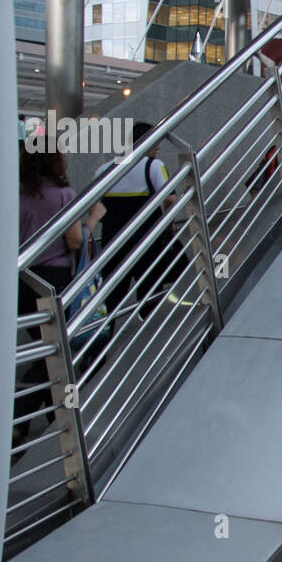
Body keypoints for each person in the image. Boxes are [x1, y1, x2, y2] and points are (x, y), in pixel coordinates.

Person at [16, 142, 106, 447]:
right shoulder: (63, 196)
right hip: (54, 282)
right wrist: (94, 217)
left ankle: (51, 416)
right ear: (56, 161)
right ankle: (20, 418)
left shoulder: (18, 194)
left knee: (46, 350)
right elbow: (74, 241)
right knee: (53, 353)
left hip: (23, 283)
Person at [95, 122, 179, 322]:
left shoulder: (104, 169)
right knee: (151, 290)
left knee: (111, 297)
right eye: (155, 144)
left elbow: (95, 206)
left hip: (112, 242)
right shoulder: (154, 166)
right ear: (147, 143)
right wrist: (169, 223)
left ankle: (105, 338)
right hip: (146, 241)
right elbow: (170, 198)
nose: (157, 149)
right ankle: (149, 331)